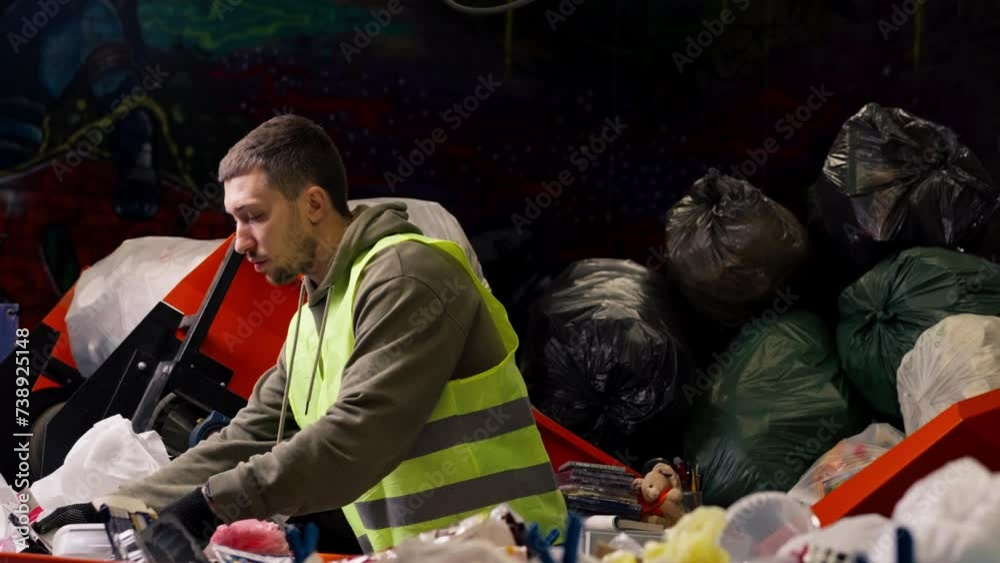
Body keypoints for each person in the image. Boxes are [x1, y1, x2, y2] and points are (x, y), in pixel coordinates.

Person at [34, 115, 567, 553]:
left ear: (313, 204)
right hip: (434, 551)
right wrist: (121, 504)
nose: (239, 242)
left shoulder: (408, 276)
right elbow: (249, 435)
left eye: (253, 217)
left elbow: (355, 438)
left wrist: (210, 506)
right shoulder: (315, 311)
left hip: (510, 547)